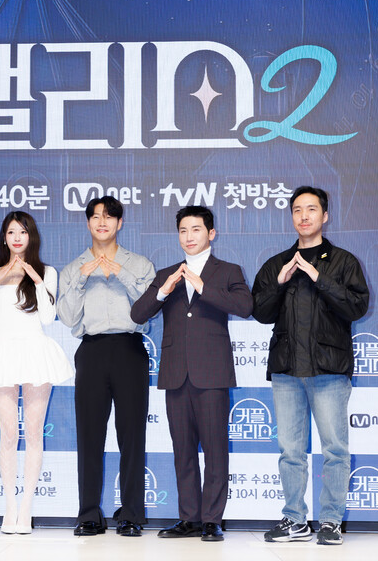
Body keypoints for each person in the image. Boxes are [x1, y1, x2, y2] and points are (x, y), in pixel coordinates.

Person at [252, 186, 369, 546]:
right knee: (290, 451)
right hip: (287, 371)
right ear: (292, 217)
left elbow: (356, 307)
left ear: (325, 215)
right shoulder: (277, 264)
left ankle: (331, 521)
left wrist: (320, 278)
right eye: (297, 210)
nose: (304, 216)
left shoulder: (344, 262)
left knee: (334, 449)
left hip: (329, 371)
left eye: (311, 209)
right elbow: (260, 312)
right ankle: (295, 520)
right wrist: (280, 282)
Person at [131, 206, 253, 542]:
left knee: (215, 450)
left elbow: (245, 307)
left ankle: (212, 519)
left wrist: (202, 287)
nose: (189, 236)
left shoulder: (228, 271)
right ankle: (189, 518)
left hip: (211, 374)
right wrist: (163, 290)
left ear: (211, 233)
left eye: (196, 229)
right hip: (175, 374)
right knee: (182, 451)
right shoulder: (167, 273)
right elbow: (137, 313)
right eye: (183, 230)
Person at [0, 212, 74, 534]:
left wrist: (37, 281)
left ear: (31, 237)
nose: (17, 237)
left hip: (35, 352)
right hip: (2, 353)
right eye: (11, 232)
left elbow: (47, 318)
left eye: (22, 232)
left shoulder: (47, 272)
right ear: (4, 237)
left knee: (34, 433)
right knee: (9, 434)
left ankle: (26, 508)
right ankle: (9, 508)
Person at [57, 196, 155, 538]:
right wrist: (82, 280)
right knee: (89, 436)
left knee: (132, 436)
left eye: (110, 217)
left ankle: (131, 514)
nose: (103, 222)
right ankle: (88, 514)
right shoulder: (73, 268)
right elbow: (68, 317)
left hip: (129, 349)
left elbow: (148, 310)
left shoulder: (139, 264)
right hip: (92, 350)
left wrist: (121, 274)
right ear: (88, 223)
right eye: (96, 217)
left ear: (120, 223)